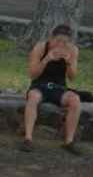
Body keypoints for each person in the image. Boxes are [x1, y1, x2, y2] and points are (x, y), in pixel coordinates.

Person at [21, 25, 89, 154]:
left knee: (75, 99)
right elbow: (32, 74)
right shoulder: (40, 48)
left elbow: (72, 77)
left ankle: (69, 141)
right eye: (58, 41)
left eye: (65, 42)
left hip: (59, 87)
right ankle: (28, 138)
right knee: (33, 97)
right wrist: (46, 59)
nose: (61, 44)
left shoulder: (72, 50)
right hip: (40, 85)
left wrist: (69, 62)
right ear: (51, 38)